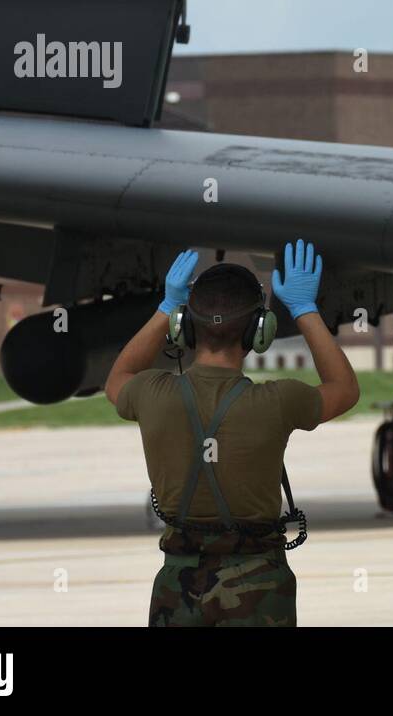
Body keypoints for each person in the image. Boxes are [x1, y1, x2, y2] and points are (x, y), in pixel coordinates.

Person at [105, 239, 359, 626]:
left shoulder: (151, 393)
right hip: (258, 590)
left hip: (177, 588)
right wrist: (305, 310)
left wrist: (164, 309)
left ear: (185, 328)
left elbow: (117, 379)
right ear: (260, 332)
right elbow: (344, 389)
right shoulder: (278, 401)